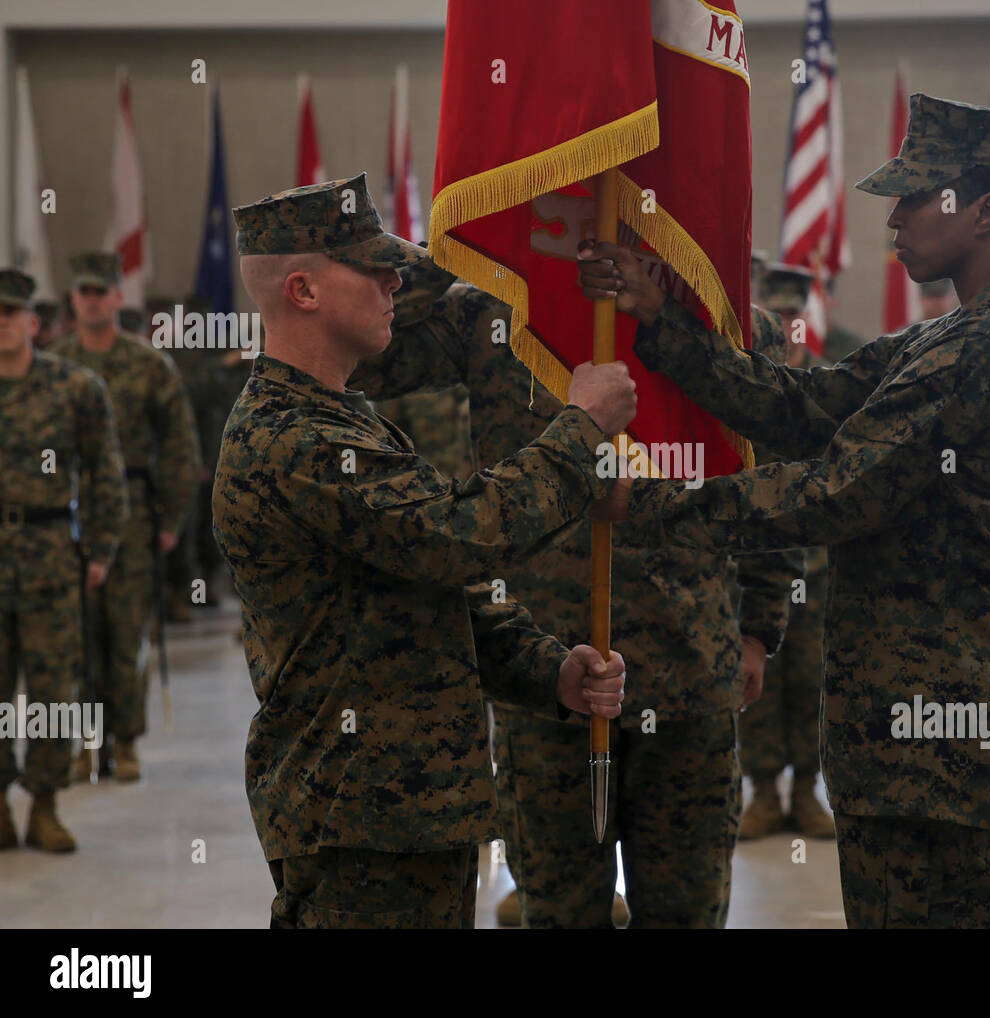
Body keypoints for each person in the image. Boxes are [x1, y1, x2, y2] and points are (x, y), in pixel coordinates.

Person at [578, 94, 990, 929]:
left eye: (918, 198)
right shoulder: (952, 334)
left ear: (985, 212)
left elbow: (835, 489)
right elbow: (801, 407)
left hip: (939, 713)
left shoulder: (988, 345)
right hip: (919, 705)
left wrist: (653, 503)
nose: (896, 220)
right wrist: (660, 320)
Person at [213, 173, 631, 929]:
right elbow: (461, 536)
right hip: (357, 818)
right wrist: (580, 430)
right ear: (303, 291)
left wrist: (551, 673)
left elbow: (431, 593)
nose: (394, 281)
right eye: (371, 269)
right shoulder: (293, 438)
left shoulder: (347, 419)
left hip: (413, 811)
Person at [348, 245, 798, 929]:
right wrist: (448, 249)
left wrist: (761, 627)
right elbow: (367, 360)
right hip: (543, 667)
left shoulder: (718, 322)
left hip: (688, 662)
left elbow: (770, 471)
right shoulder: (493, 313)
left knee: (687, 909)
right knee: (558, 911)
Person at [53, 254, 200, 783]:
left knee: (126, 630)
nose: (92, 299)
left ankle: (126, 739)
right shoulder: (57, 365)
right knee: (75, 636)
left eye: (101, 291)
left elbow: (180, 443)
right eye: (83, 291)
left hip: (135, 512)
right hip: (66, 515)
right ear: (74, 300)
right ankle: (84, 744)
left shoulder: (148, 365)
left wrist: (171, 516)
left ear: (117, 297)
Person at [0, 268, 127, 851]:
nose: (3, 323)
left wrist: (100, 548)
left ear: (33, 321)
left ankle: (45, 803)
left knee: (55, 692)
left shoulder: (75, 387)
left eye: (11, 312)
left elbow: (105, 470)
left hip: (52, 553)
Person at [737, 263, 835, 840]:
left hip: (818, 566)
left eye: (797, 316)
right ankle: (764, 792)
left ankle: (806, 791)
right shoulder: (742, 388)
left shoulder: (827, 390)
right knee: (759, 678)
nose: (791, 327)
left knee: (811, 680)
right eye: (780, 317)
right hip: (751, 566)